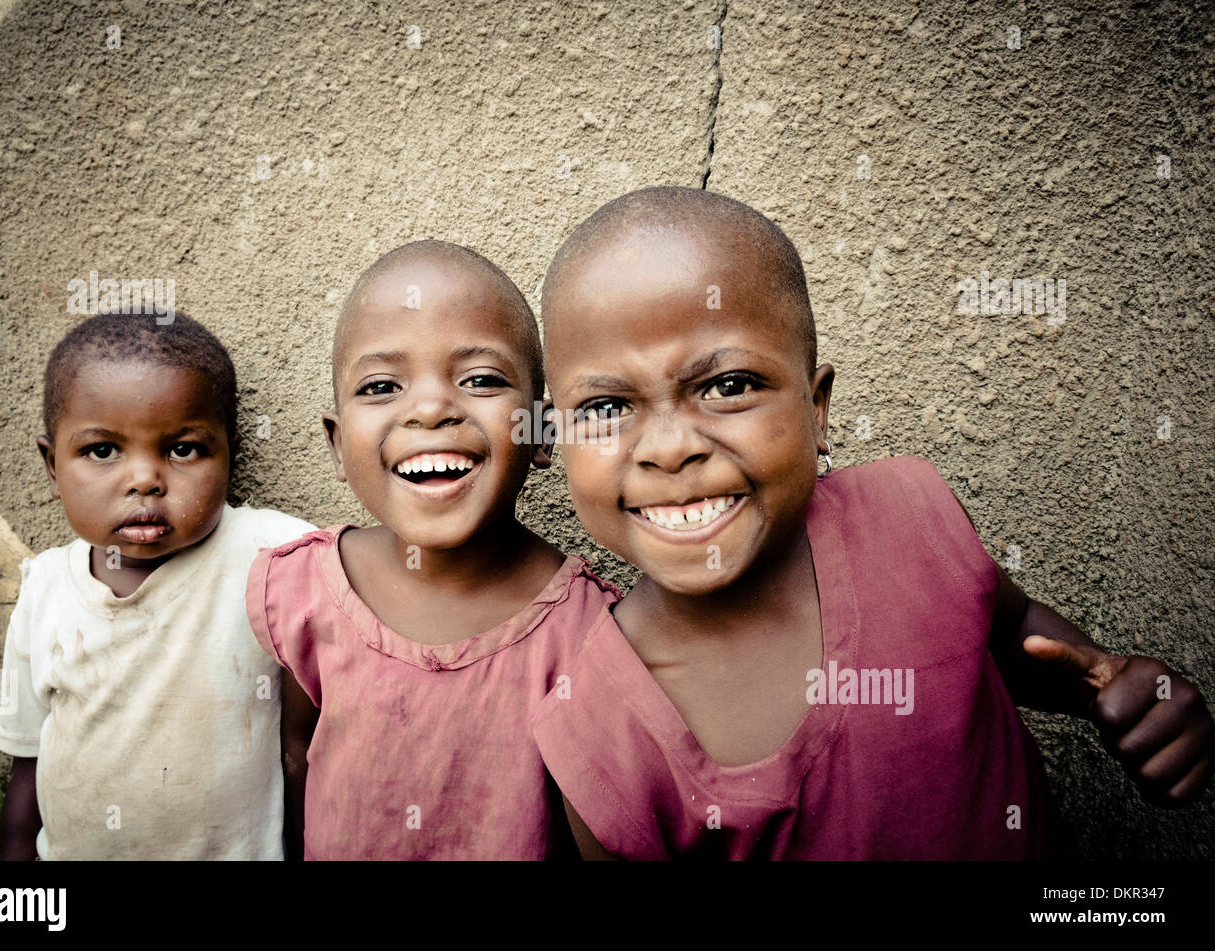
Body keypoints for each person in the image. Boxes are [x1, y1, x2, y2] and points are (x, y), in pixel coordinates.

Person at [531, 186, 1214, 859]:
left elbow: (1011, 636)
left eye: (729, 385)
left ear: (818, 409)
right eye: (604, 408)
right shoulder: (598, 730)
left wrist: (1118, 690)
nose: (670, 446)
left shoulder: (909, 518)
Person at [246, 240, 620, 859]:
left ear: (541, 431)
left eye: (479, 379)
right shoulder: (306, 592)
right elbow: (293, 755)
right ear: (338, 446)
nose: (429, 409)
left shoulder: (589, 633)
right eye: (381, 386)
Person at [0, 310, 315, 860]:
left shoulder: (273, 557)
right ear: (52, 467)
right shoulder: (44, 589)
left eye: (183, 449)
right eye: (101, 451)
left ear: (229, 455)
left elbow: (303, 748)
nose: (144, 480)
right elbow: (29, 765)